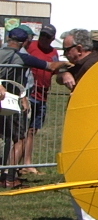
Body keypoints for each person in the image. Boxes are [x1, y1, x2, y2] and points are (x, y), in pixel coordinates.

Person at [59, 28, 98, 220]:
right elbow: (60, 74)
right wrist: (64, 73)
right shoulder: (85, 64)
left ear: (79, 48)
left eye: (67, 50)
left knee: (81, 173)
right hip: (89, 127)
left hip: (92, 128)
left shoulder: (93, 66)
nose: (65, 54)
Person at [22, 23, 60, 176]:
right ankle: (18, 163)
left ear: (52, 38)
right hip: (29, 93)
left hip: (42, 95)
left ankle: (27, 163)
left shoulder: (54, 52)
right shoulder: (30, 46)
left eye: (47, 36)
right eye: (42, 35)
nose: (44, 38)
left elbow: (56, 69)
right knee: (22, 130)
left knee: (32, 130)